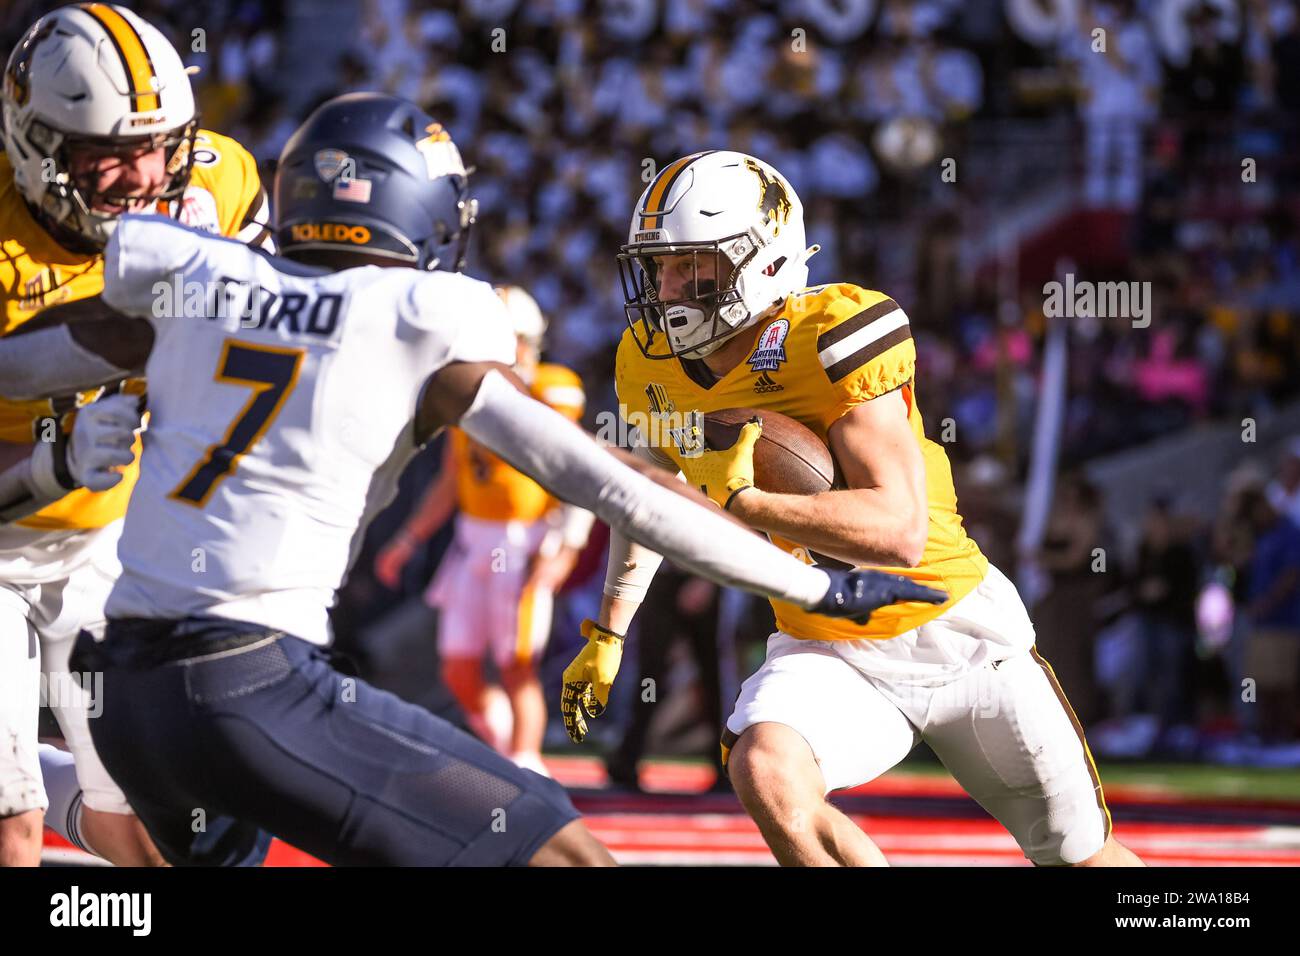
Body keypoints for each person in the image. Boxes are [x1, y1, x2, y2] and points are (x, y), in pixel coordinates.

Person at [0, 94, 942, 866]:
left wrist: (49, 462)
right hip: (248, 684)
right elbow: (615, 485)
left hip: (123, 692)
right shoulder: (418, 317)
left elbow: (14, 367)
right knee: (566, 853)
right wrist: (816, 581)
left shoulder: (190, 278)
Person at [564, 149, 1144, 867]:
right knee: (766, 771)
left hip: (955, 630)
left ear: (761, 261)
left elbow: (898, 531)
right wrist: (611, 630)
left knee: (1080, 858)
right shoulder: (646, 363)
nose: (667, 286)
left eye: (692, 265)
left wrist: (746, 500)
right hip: (827, 642)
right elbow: (646, 496)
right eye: (661, 265)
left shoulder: (830, 336)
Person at [0, 3, 270, 867]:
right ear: (35, 145)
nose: (140, 176)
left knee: (157, 835)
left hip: (106, 540)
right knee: (10, 826)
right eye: (105, 155)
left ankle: (36, 776)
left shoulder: (216, 183)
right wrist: (50, 465)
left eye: (153, 147)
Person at [375, 285, 593, 774]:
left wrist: (567, 544)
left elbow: (576, 468)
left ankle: (527, 763)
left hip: (526, 541)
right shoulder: (467, 389)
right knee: (457, 666)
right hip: (472, 541)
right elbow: (451, 481)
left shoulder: (551, 387)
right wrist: (408, 539)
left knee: (518, 664)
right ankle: (502, 743)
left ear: (520, 340)